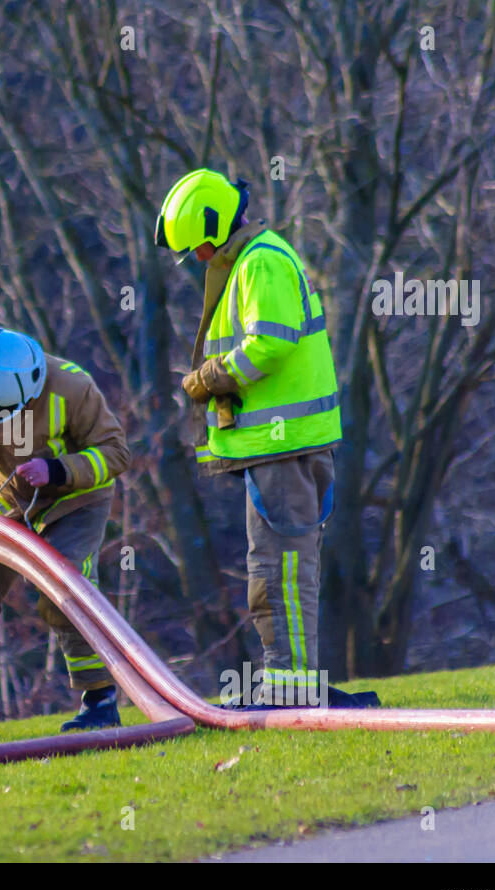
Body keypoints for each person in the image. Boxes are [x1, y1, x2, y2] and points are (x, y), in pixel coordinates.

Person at [153, 168, 377, 709]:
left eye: (200, 249)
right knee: (272, 570)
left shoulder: (261, 262)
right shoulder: (253, 261)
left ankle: (293, 693)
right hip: (274, 450)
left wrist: (213, 377)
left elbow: (270, 342)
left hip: (283, 447)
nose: (200, 260)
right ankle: (289, 687)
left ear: (215, 226)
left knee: (282, 571)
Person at [0, 329, 132, 741]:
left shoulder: (73, 387)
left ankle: (100, 702)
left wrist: (56, 470)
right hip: (5, 500)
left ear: (34, 384)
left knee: (64, 586)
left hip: (74, 501)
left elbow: (116, 453)